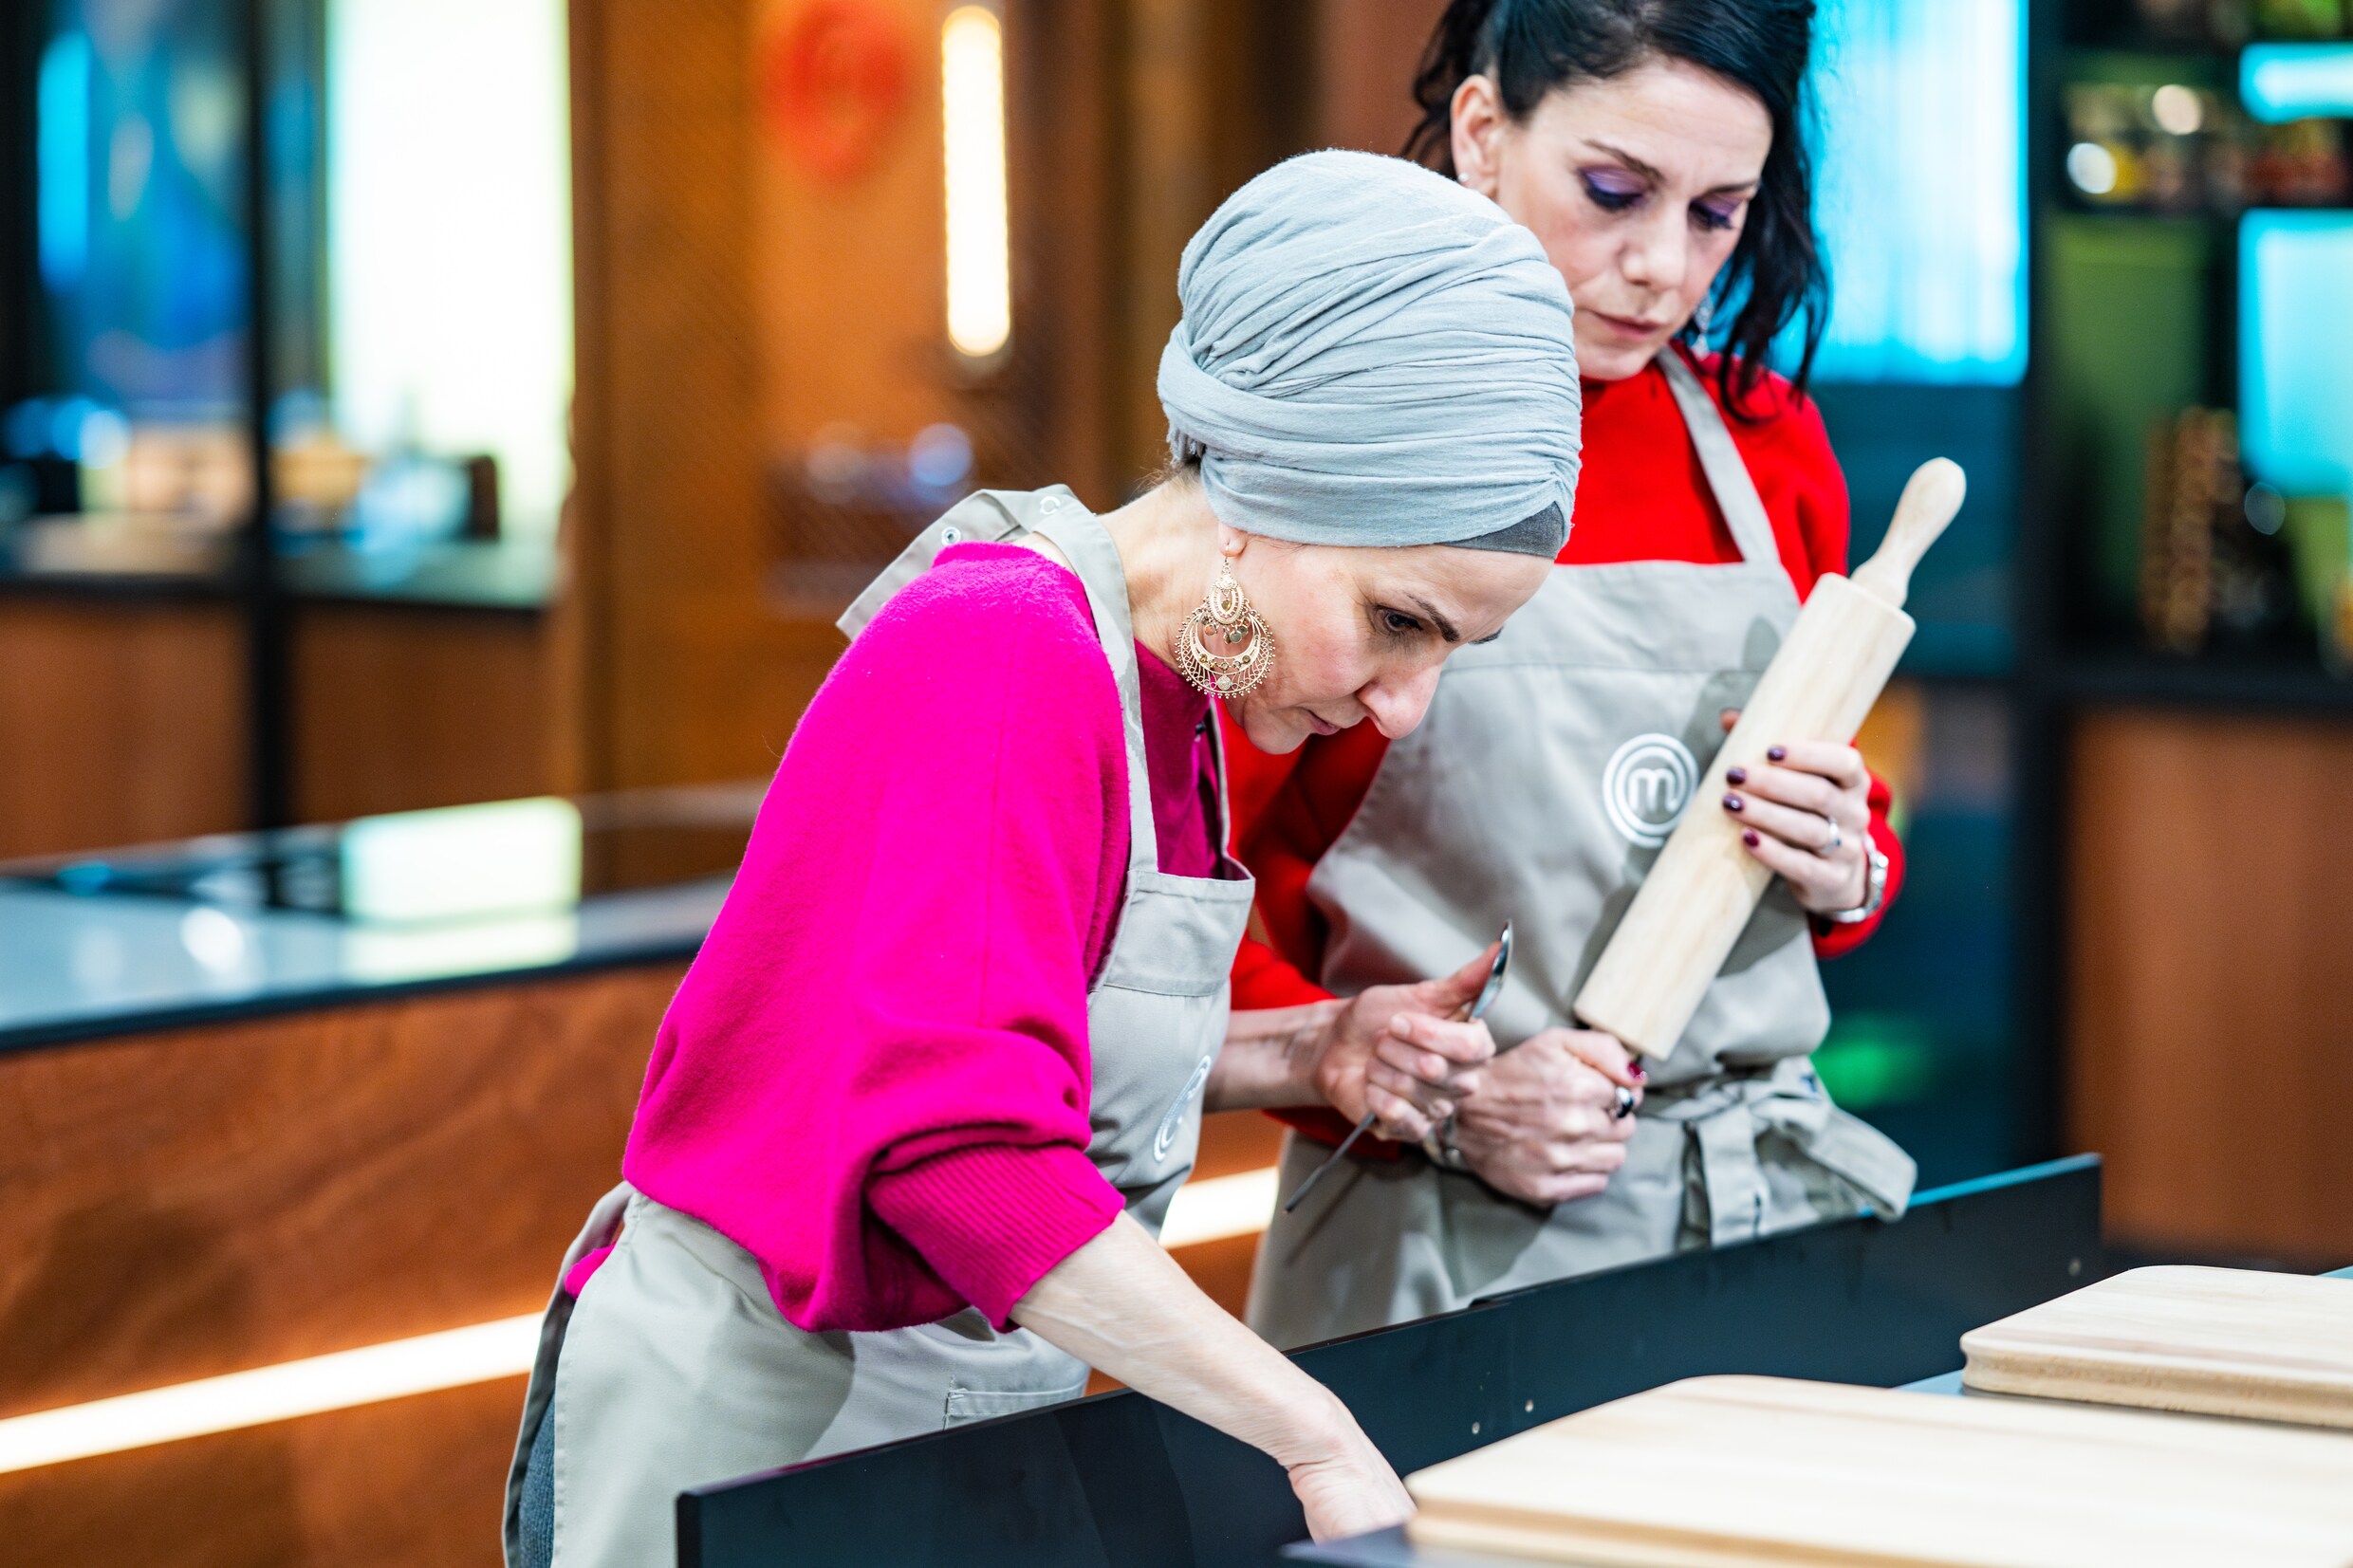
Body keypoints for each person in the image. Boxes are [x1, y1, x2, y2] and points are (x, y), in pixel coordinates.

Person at [502, 149, 1585, 1568]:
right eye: (1398, 620)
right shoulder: (1004, 650)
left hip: (943, 1421)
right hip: (763, 1428)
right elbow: (954, 1149)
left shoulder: (1172, 696)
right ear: (1265, 482)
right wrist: (1305, 1427)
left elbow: (1023, 1045)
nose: (1405, 703)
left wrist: (1314, 1051)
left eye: (1452, 648)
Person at [1232, 0, 1920, 1352]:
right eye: (1615, 192)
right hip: (1442, 1251)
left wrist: (1848, 857)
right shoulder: (1331, 448)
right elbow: (1166, 919)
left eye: (1720, 213)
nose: (1663, 267)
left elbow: (1838, 811)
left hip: (1765, 1227)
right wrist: (1409, 1079)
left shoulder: (1770, 449)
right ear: (1485, 133)